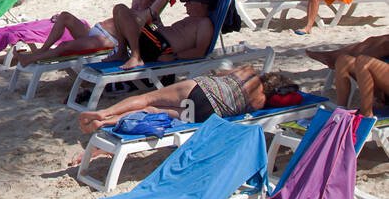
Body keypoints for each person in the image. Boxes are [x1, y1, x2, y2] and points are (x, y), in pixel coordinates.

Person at [79, 65, 294, 134]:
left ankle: (104, 113)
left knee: (147, 98)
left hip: (202, 89)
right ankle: (104, 123)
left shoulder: (248, 71)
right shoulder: (260, 103)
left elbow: (219, 74)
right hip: (208, 113)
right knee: (154, 110)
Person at [13, 0, 169, 65]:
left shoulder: (144, 15)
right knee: (65, 16)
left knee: (65, 46)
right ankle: (43, 51)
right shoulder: (133, 7)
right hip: (95, 31)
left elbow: (159, 4)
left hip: (107, 40)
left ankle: (30, 59)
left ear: (152, 1)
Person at [112, 0, 213, 71]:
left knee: (123, 10)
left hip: (161, 49)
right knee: (119, 10)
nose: (185, 5)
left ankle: (135, 56)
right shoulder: (189, 19)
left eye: (188, 2)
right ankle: (122, 52)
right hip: (155, 41)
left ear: (199, 4)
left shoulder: (204, 23)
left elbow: (200, 51)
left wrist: (175, 56)